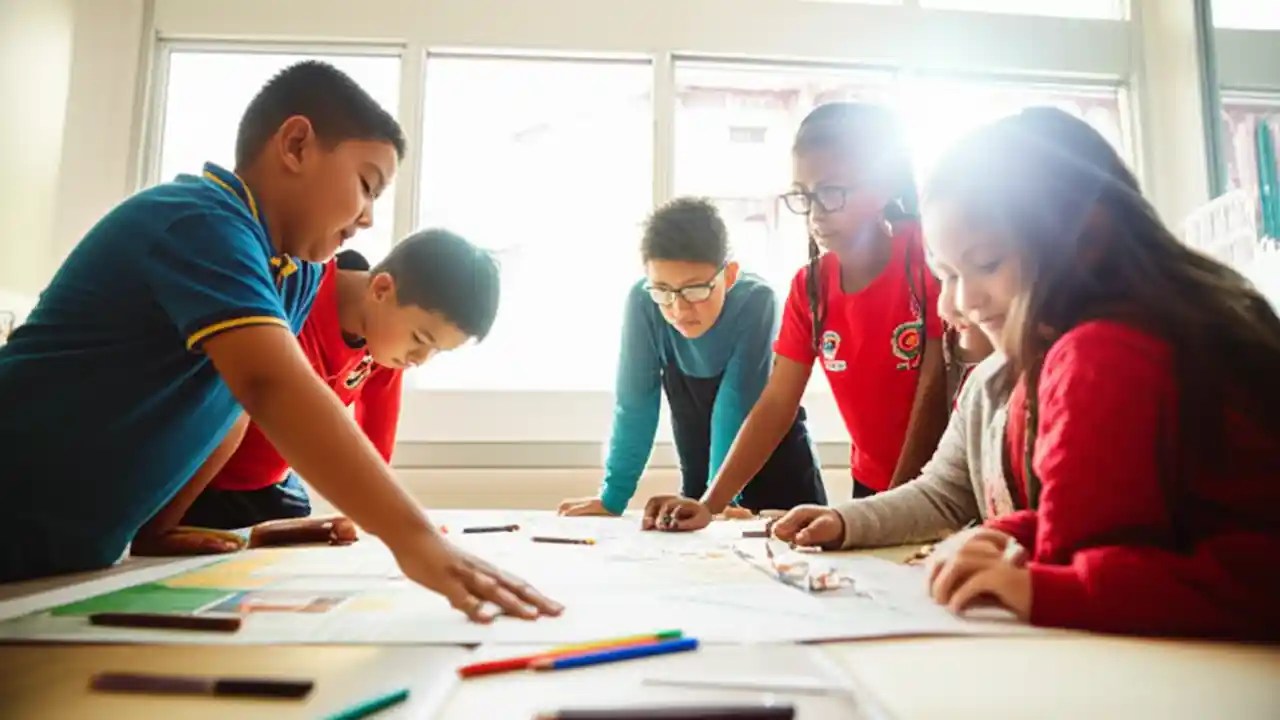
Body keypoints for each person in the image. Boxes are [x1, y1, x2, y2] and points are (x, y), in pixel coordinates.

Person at [0, 61, 558, 623]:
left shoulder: (293, 273)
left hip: (60, 556)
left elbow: (231, 405)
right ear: (295, 145)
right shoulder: (199, 221)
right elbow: (269, 386)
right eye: (367, 185)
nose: (367, 219)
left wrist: (160, 528)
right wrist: (416, 539)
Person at [923, 108, 1280, 639]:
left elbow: (1081, 559)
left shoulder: (1101, 353)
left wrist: (1030, 584)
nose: (964, 301)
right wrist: (1009, 533)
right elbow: (1154, 519)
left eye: (988, 263)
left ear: (1086, 239)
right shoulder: (1188, 311)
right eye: (948, 275)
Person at [642, 102, 948, 533]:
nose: (816, 212)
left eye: (831, 192)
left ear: (881, 187)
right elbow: (776, 404)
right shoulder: (811, 287)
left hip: (940, 488)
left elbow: (934, 392)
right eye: (804, 195)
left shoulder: (929, 259)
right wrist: (710, 503)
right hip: (873, 484)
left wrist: (890, 511)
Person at [131, 230, 498, 555]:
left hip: (270, 489)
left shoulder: (386, 350)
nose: (421, 359)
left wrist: (399, 523)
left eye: (437, 351)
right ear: (382, 289)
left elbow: (373, 449)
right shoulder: (298, 294)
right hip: (196, 486)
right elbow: (237, 403)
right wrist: (159, 527)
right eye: (421, 339)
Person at [558, 198, 825, 517]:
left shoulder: (756, 301)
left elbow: (735, 400)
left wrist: (720, 502)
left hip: (777, 474)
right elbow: (635, 403)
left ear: (730, 275)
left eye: (695, 290)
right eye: (663, 290)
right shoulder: (643, 302)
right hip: (703, 482)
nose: (679, 309)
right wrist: (612, 498)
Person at [771, 290, 1003, 550]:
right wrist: (843, 520)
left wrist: (1022, 576)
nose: (951, 304)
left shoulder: (1053, 388)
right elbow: (944, 496)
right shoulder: (983, 385)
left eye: (987, 265)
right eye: (947, 277)